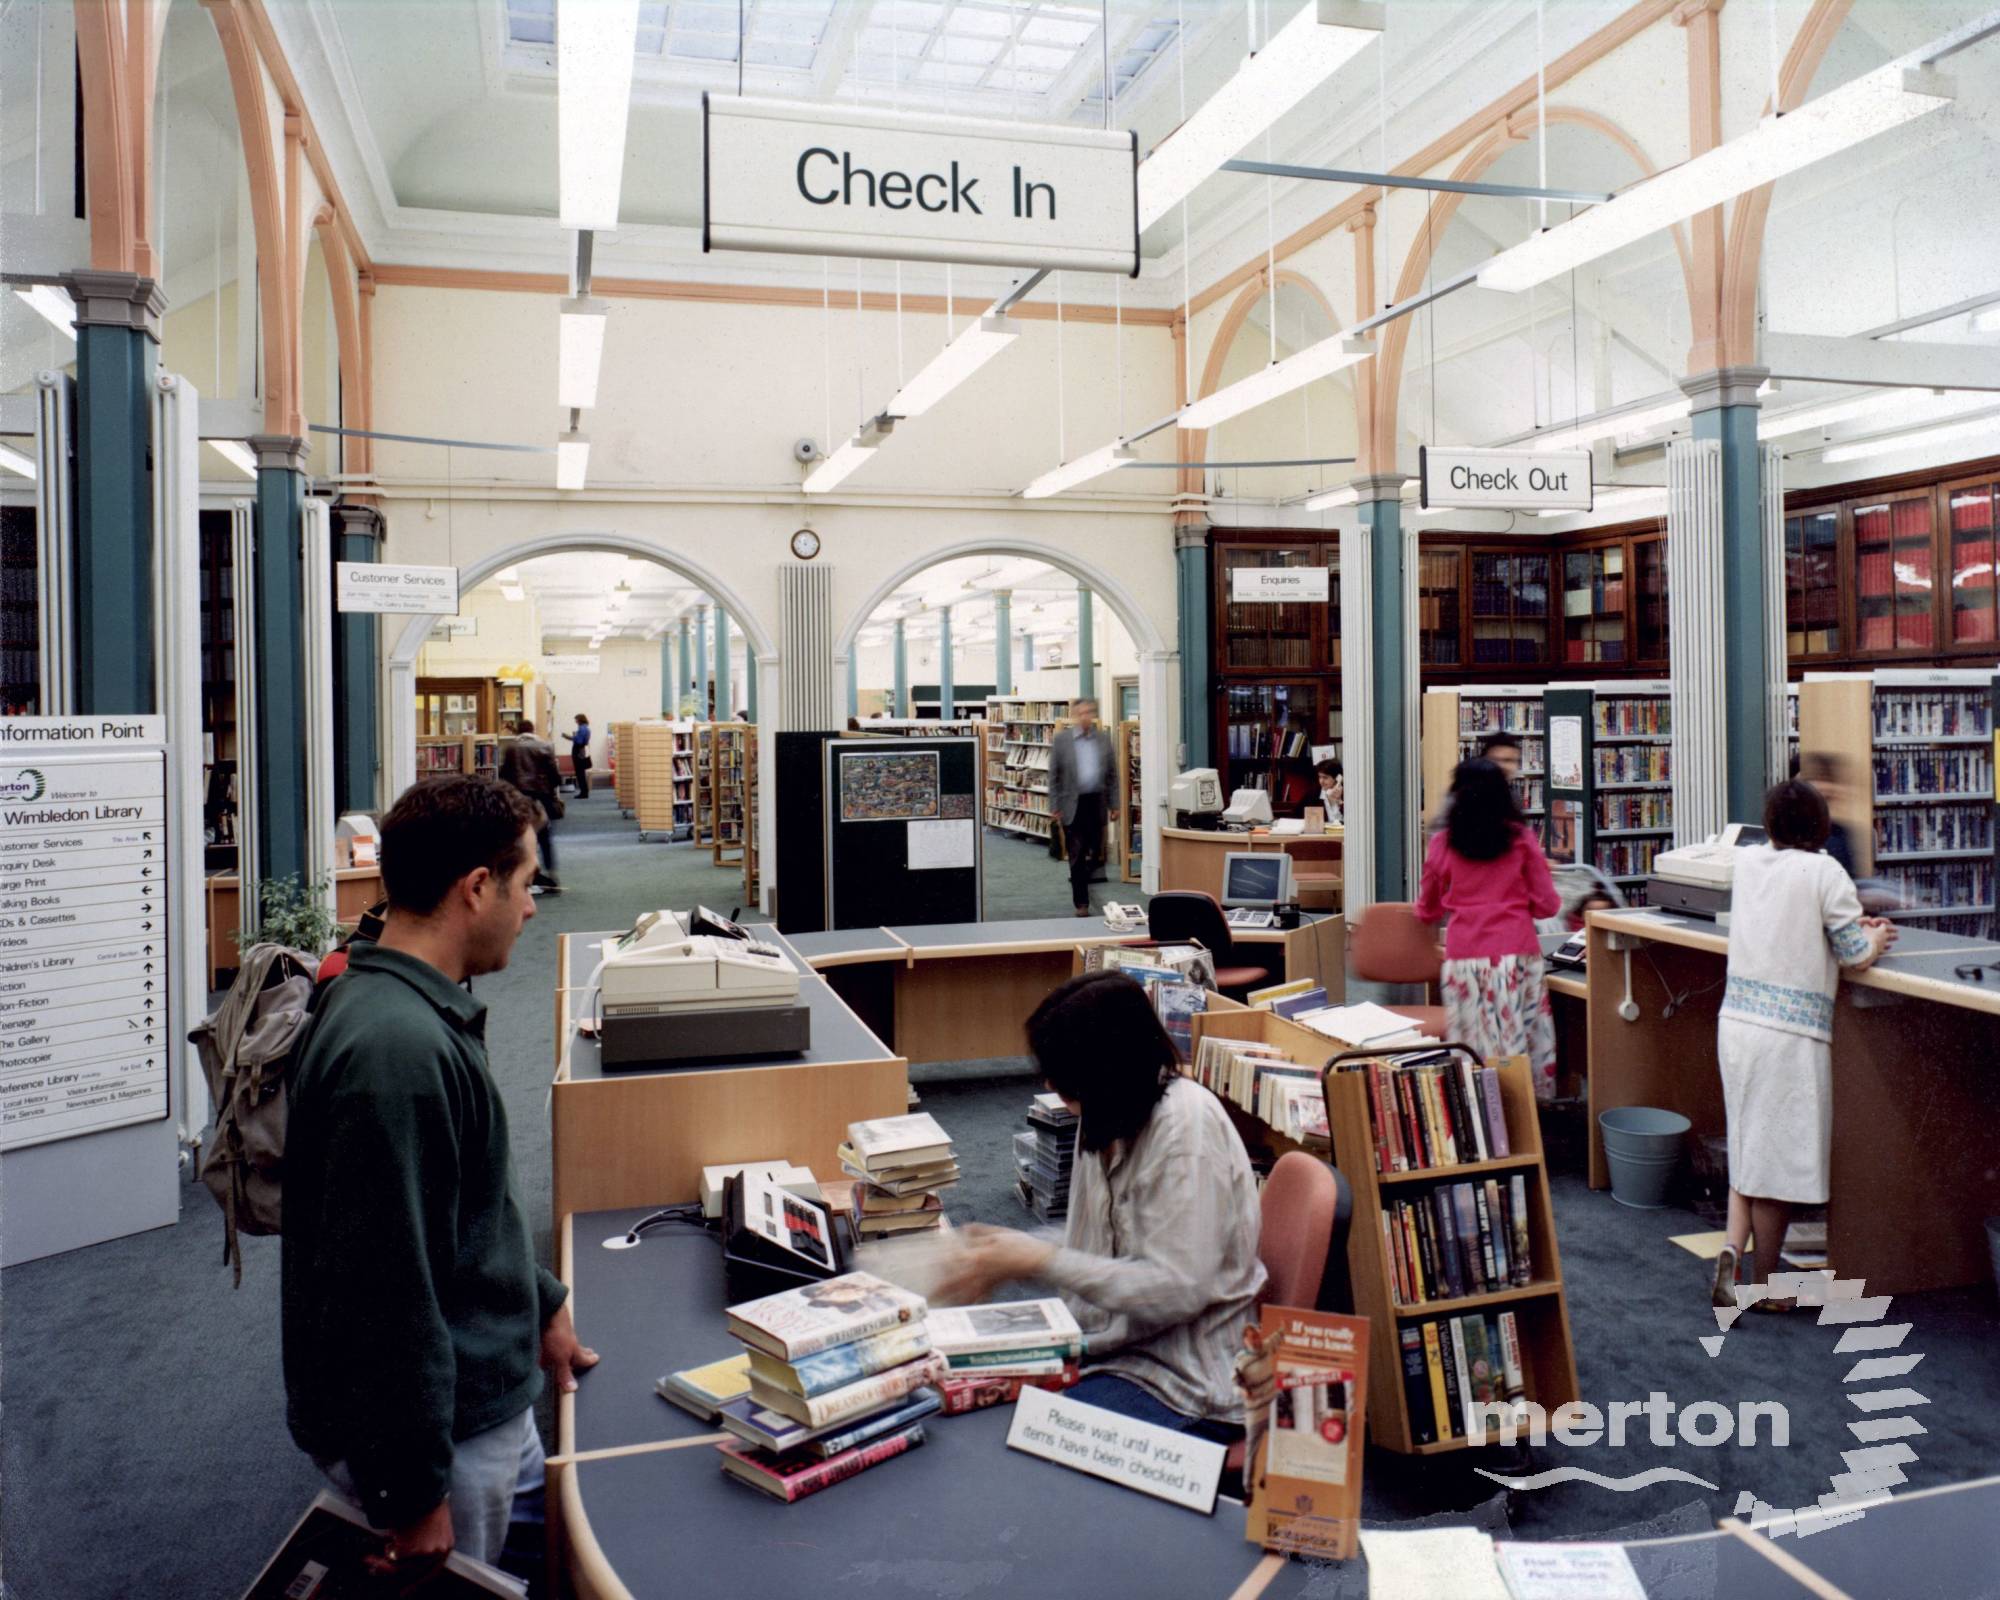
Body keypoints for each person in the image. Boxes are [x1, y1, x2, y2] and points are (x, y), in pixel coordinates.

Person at [283, 777, 597, 1582]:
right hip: (447, 1438)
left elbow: (456, 1210)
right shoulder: (396, 1054)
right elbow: (386, 1288)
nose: (532, 908)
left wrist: (539, 1301)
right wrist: (414, 1490)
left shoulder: (405, 1006)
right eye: (524, 885)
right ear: (477, 887)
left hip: (481, 1396)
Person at [934, 971, 1264, 1439]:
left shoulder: (1185, 1132)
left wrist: (1040, 1259)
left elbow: (1176, 1290)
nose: (1052, 1083)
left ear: (1106, 1069)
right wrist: (1008, 1254)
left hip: (1189, 1380)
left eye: (1066, 1074)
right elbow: (1097, 1249)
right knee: (948, 1396)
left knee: (1019, 1440)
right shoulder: (1108, 1110)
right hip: (1109, 1348)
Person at [1710, 780, 1894, 1311]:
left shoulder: (1748, 864)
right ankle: (1768, 1286)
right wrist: (1877, 937)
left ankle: (1729, 1250)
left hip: (1738, 1023)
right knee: (1778, 1166)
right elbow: (1855, 952)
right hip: (1792, 1035)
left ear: (1768, 826)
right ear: (1819, 828)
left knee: (1748, 1148)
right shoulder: (1825, 872)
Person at [1414, 758, 1564, 1100]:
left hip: (1464, 956)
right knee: (1518, 1045)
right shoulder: (1522, 840)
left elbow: (1427, 910)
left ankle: (1479, 1122)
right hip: (1517, 954)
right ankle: (1524, 1121)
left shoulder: (1442, 843)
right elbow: (1548, 906)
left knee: (1471, 1048)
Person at [1049, 697, 1115, 917]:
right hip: (1072, 804)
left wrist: (1114, 804)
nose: (1086, 716)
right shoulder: (1062, 741)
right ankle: (1082, 902)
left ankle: (1085, 880)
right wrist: (1055, 804)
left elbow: (1112, 775)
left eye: (1090, 712)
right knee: (1076, 855)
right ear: (1075, 715)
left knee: (1096, 853)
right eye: (1082, 713)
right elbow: (1054, 775)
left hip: (1096, 802)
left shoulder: (1104, 740)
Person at [498, 720, 563, 893]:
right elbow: (553, 772)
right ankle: (550, 872)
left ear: (519, 731)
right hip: (541, 797)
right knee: (545, 837)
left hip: (519, 796)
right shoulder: (544, 745)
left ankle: (527, 874)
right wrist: (555, 786)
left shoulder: (511, 747)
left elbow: (504, 773)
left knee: (521, 836)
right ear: (533, 730)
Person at [568, 713, 593, 800]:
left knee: (579, 773)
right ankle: (584, 791)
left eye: (576, 719)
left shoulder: (581, 729)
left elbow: (579, 741)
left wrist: (572, 737)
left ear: (580, 720)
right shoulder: (587, 728)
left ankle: (583, 792)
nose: (575, 721)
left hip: (578, 750)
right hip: (582, 750)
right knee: (581, 772)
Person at [1314, 758, 1344, 824]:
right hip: (1324, 833)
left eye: (1325, 777)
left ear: (1337, 778)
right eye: (1320, 777)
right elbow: (1296, 816)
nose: (1321, 781)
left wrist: (1339, 801)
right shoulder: (1313, 795)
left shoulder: (1347, 793)